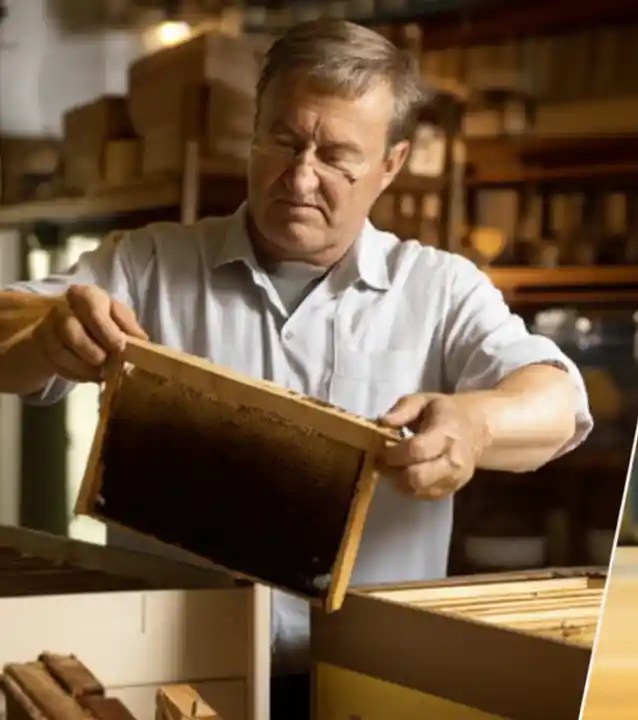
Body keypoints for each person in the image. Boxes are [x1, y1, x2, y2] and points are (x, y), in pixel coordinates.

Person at [0, 20, 592, 713]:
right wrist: (48, 334)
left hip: (370, 683)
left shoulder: (440, 289)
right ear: (254, 129)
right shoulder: (146, 264)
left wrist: (475, 422)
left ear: (391, 164)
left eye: (337, 155)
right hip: (173, 674)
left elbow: (558, 401)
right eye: (283, 141)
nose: (300, 177)